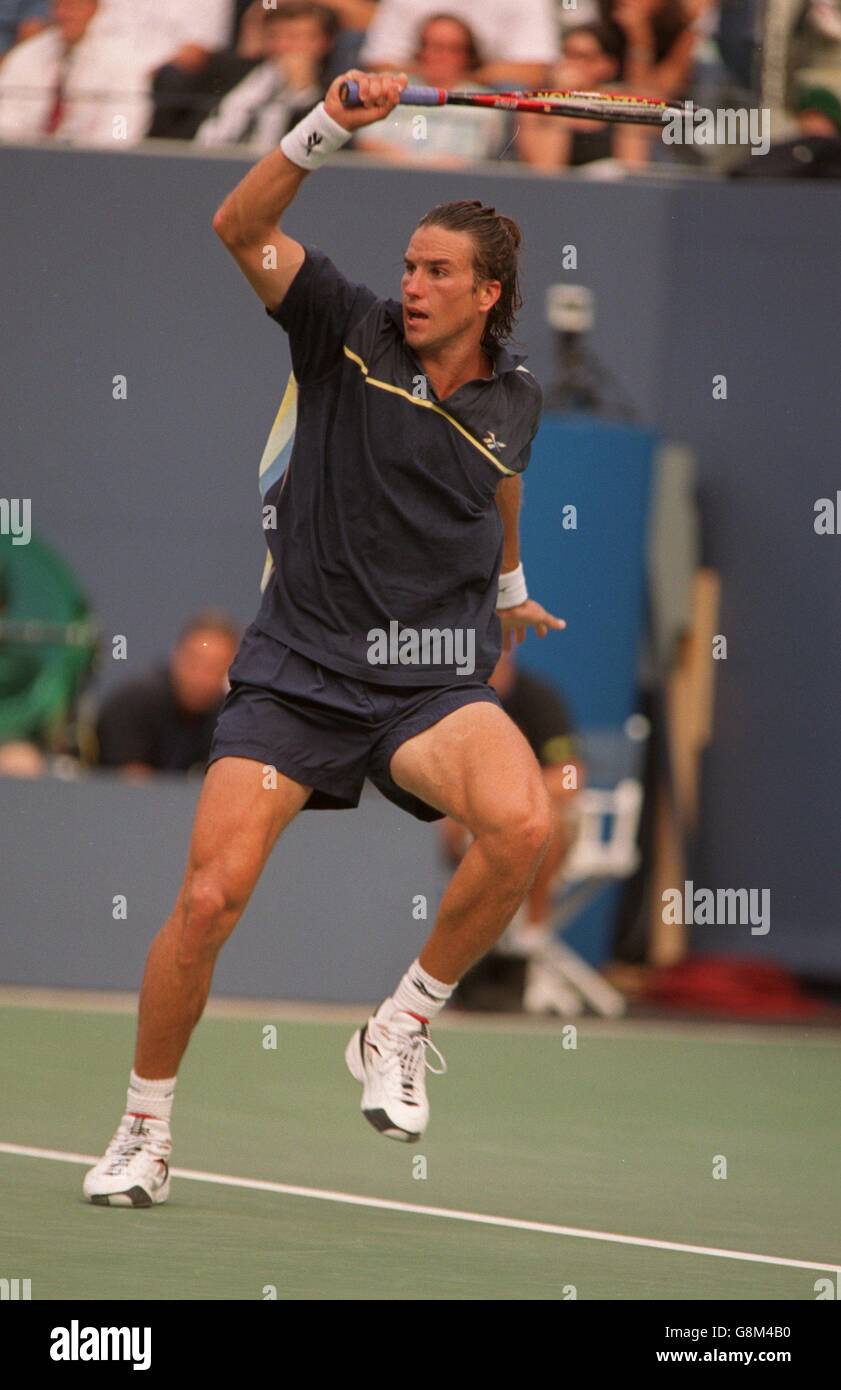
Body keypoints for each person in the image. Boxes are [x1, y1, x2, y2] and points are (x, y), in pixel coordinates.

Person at [82, 69, 565, 1208]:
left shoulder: (517, 398)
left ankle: (398, 1025)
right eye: (406, 264)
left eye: (437, 271)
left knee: (521, 821)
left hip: (423, 678)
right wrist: (327, 127)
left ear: (488, 293)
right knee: (208, 900)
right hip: (298, 670)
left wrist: (509, 585)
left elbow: (500, 485)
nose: (411, 284)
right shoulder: (341, 324)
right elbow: (238, 224)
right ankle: (144, 1128)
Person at [353, 12, 509, 166]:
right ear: (420, 50)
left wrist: (415, 167)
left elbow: (470, 158)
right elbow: (368, 141)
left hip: (453, 186)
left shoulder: (484, 103)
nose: (442, 56)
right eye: (435, 46)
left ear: (468, 55)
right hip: (384, 180)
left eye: (453, 48)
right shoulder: (393, 87)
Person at [94, 612, 240, 777]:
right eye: (195, 662)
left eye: (214, 668)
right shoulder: (134, 702)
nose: (201, 677)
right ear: (177, 655)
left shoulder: (229, 717)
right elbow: (132, 788)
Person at [0, 0, 150, 145]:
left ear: (93, 9)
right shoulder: (26, 55)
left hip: (96, 161)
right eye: (60, 5)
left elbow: (122, 126)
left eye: (75, 6)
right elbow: (6, 115)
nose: (67, 14)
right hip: (29, 159)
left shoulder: (120, 60)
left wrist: (97, 154)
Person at [195, 2, 338, 151]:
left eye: (295, 37)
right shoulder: (230, 71)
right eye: (274, 36)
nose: (283, 46)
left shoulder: (334, 90)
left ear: (325, 42)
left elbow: (313, 148)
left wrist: (302, 91)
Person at [359, 0, 559, 89]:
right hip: (411, 95)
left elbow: (535, 70)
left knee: (513, 89)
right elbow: (380, 64)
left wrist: (458, 79)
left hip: (484, 104)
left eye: (454, 49)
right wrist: (435, 74)